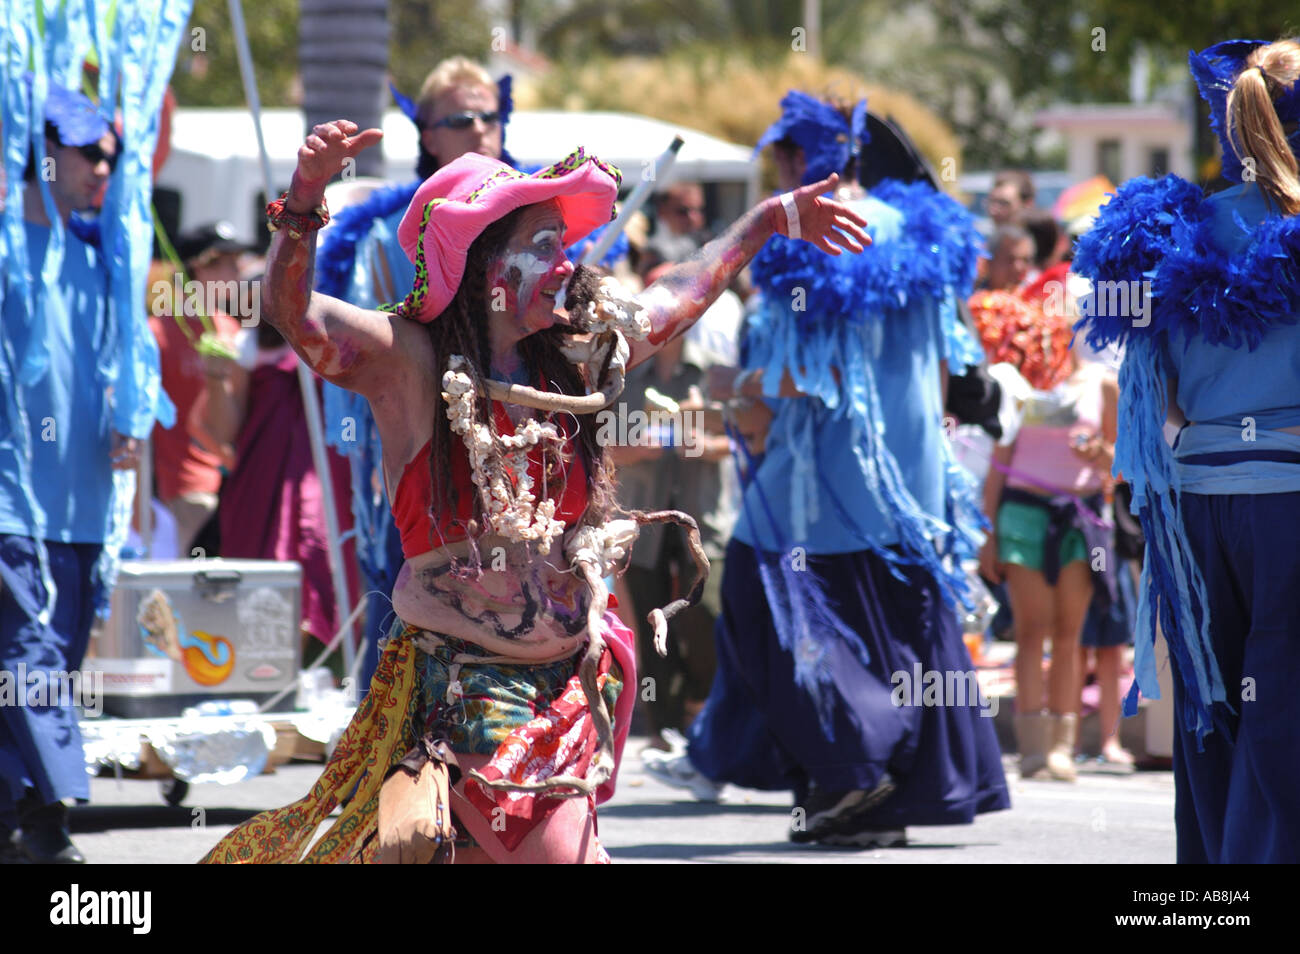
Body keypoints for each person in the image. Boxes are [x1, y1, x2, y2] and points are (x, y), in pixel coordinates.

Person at [200, 118, 867, 864]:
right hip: (466, 689)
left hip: (570, 684)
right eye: (543, 246)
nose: (566, 264)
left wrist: (766, 221)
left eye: (565, 244)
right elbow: (293, 313)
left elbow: (674, 296)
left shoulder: (572, 362)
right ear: (481, 260)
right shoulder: (408, 362)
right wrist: (303, 199)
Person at [645, 92, 1009, 847]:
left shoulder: (800, 238)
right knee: (898, 636)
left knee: (750, 589)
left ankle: (853, 774)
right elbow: (950, 365)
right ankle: (869, 795)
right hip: (909, 475)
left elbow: (800, 378)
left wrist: (728, 388)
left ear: (793, 163)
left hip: (819, 486)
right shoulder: (923, 228)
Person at [1073, 37, 1300, 862]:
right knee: (1285, 709)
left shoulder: (1170, 230)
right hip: (1290, 503)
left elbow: (1156, 396)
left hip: (1196, 507)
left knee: (1216, 705)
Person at [0, 85, 128, 864]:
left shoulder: (99, 261)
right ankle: (55, 810)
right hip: (13, 499)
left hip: (86, 505)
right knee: (31, 658)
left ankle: (23, 818)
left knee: (52, 659)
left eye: (112, 155)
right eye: (93, 153)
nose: (105, 169)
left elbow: (121, 374)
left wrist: (131, 426)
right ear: (44, 153)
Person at [970, 289, 1118, 781]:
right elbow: (998, 465)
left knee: (1070, 634)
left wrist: (1097, 452)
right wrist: (987, 535)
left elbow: (1119, 466)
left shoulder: (1101, 385)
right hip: (1023, 514)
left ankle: (1063, 746)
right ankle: (1034, 749)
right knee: (1031, 631)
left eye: (1065, 325)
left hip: (1078, 517)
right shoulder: (1019, 387)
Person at [147, 223, 247, 555]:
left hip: (232, 486)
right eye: (228, 263)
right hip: (180, 492)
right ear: (200, 267)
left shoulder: (230, 327)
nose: (239, 271)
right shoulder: (156, 331)